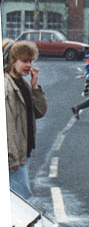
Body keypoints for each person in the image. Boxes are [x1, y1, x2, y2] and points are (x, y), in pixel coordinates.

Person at [6, 40, 47, 201]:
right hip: (14, 155)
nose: (28, 65)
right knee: (23, 199)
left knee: (17, 199)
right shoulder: (7, 87)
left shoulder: (23, 84)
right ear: (12, 61)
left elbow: (39, 112)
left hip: (24, 151)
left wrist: (35, 87)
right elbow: (7, 125)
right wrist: (11, 157)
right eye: (24, 61)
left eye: (30, 61)